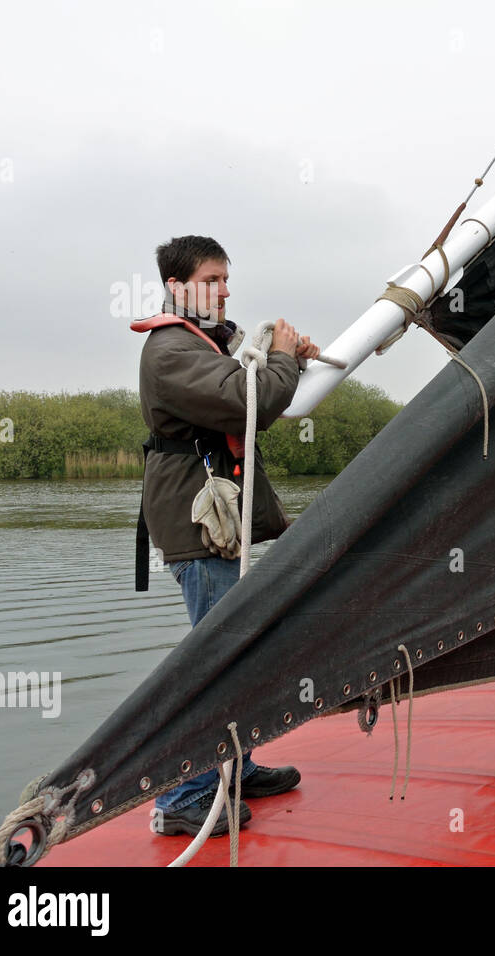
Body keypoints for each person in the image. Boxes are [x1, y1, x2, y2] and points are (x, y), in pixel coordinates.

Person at [132, 235, 320, 837]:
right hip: (198, 527)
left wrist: (298, 360)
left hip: (215, 522)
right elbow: (251, 398)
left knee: (232, 652)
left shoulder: (208, 344)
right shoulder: (169, 351)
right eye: (213, 279)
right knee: (216, 659)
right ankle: (184, 794)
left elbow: (254, 379)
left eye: (226, 278)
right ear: (178, 287)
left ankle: (233, 769)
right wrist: (286, 360)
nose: (225, 289)